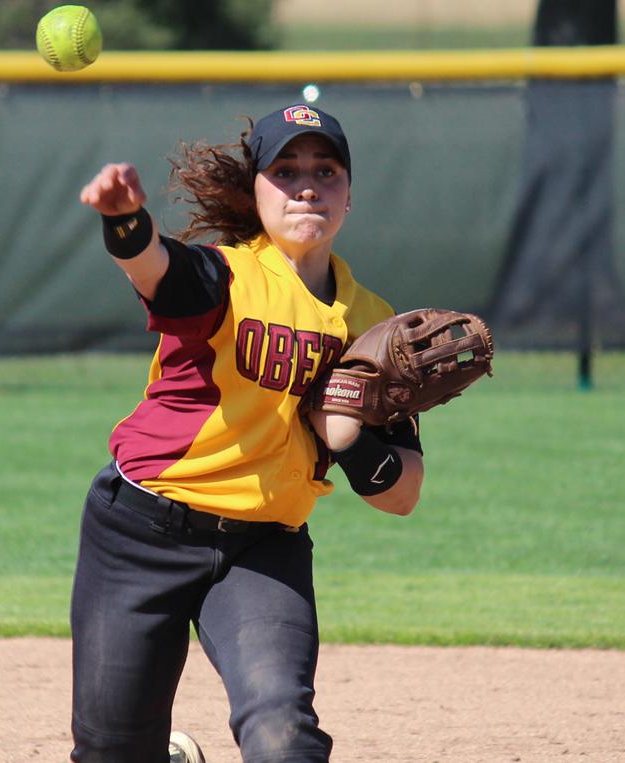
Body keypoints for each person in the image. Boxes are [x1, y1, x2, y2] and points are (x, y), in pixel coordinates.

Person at [71, 104, 425, 762]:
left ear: (351, 193)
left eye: (326, 170)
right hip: (140, 533)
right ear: (254, 190)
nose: (307, 185)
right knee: (111, 751)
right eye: (285, 170)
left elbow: (403, 493)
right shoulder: (224, 276)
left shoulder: (374, 325)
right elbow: (155, 268)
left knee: (282, 733)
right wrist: (124, 220)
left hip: (262, 552)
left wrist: (347, 437)